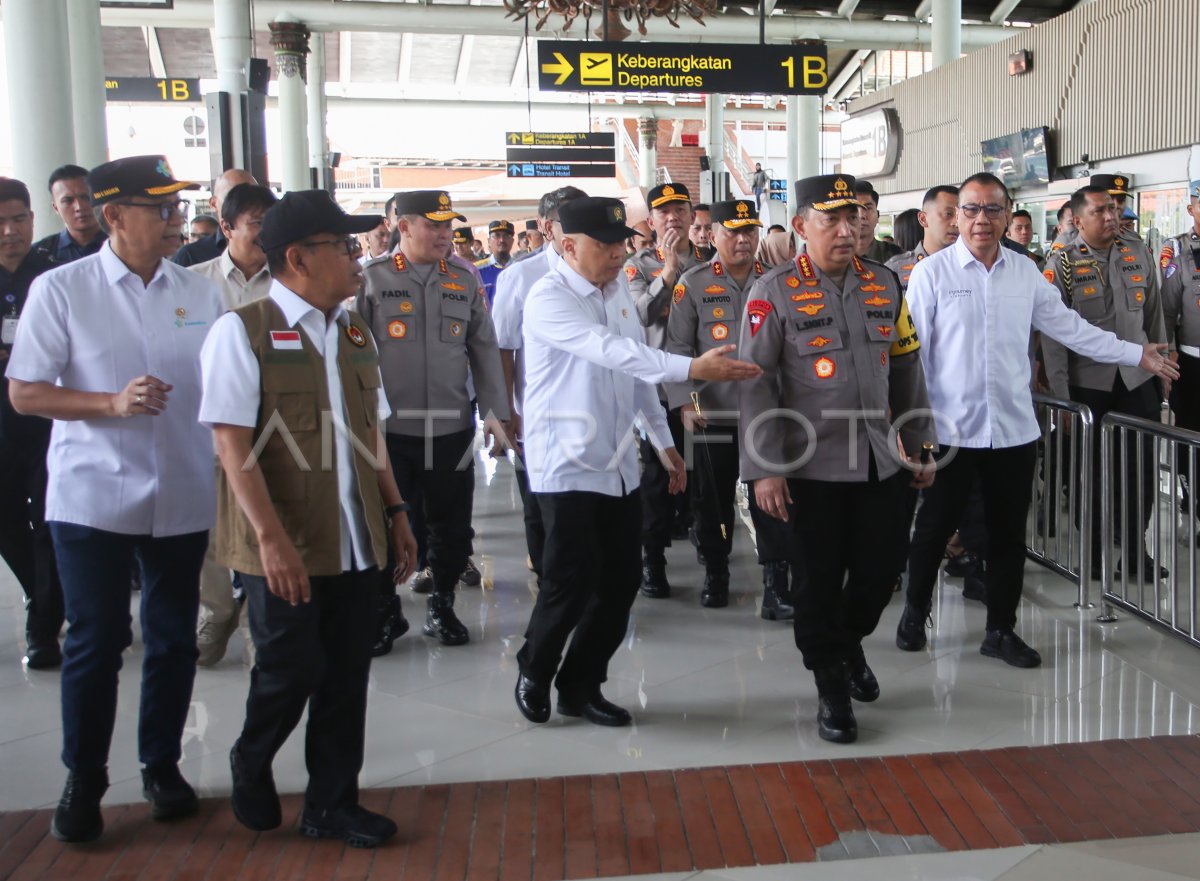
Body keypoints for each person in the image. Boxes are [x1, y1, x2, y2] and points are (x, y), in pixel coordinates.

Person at [7, 155, 224, 842]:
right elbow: (26, 391)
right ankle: (85, 776)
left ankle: (161, 764)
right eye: (157, 208)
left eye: (174, 208)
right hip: (93, 497)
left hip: (184, 491)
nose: (172, 220)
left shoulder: (198, 291)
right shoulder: (62, 290)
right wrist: (110, 401)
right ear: (112, 217)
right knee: (97, 640)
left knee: (172, 641)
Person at [199, 189, 418, 848]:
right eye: (344, 248)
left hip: (355, 538)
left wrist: (398, 511)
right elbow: (231, 446)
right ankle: (250, 754)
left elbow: (370, 428)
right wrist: (269, 540)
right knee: (290, 668)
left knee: (347, 675)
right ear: (297, 257)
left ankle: (331, 803)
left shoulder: (352, 328)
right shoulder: (242, 331)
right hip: (285, 540)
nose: (358, 259)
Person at [896, 173, 1177, 669]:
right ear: (957, 216)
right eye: (971, 210)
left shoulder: (1025, 274)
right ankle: (915, 612)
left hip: (1012, 432)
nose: (982, 220)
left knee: (1008, 537)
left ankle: (1000, 630)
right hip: (950, 431)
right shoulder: (932, 274)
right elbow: (912, 356)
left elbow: (1073, 330)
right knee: (934, 529)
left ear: (1007, 216)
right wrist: (911, 426)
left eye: (992, 210)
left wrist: (1139, 353)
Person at [515, 196, 761, 727]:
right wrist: (692, 366)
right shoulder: (548, 297)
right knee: (568, 582)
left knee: (621, 581)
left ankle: (581, 684)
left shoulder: (619, 293)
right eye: (604, 246)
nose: (616, 253)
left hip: (621, 460)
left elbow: (636, 375)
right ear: (567, 244)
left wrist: (664, 442)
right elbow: (612, 351)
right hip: (568, 463)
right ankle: (534, 669)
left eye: (619, 243)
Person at [738, 174, 936, 744]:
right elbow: (757, 385)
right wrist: (765, 467)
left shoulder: (884, 285)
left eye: (855, 218)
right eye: (832, 220)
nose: (848, 231)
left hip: (878, 461)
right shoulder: (771, 292)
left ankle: (846, 647)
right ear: (802, 227)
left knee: (880, 572)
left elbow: (905, 370)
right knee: (817, 583)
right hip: (809, 469)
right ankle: (831, 687)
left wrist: (920, 442)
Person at [358, 190, 509, 648]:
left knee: (452, 522)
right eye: (434, 225)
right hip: (389, 430)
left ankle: (441, 605)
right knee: (385, 523)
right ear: (404, 227)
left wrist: (496, 414)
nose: (445, 234)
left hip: (450, 426)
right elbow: (353, 355)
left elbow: (483, 348)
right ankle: (386, 610)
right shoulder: (372, 279)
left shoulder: (462, 277)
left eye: (448, 226)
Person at [665, 199, 791, 617]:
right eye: (733, 232)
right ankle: (716, 571)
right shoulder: (693, 284)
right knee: (712, 500)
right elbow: (679, 349)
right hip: (711, 413)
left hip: (766, 417)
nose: (743, 239)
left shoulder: (775, 282)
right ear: (714, 234)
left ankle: (776, 581)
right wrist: (685, 403)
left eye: (750, 231)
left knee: (772, 498)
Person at [1041, 184, 1170, 581]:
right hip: (1088, 385)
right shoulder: (1061, 262)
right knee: (1092, 474)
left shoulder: (1137, 252)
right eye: (1100, 211)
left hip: (1136, 380)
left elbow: (1154, 316)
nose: (1111, 216)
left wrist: (1161, 368)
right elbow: (1053, 337)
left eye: (1114, 209)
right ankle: (1093, 553)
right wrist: (1061, 399)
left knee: (1141, 470)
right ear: (1078, 220)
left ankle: (1135, 551)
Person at [189, 183, 278, 667]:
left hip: (273, 432)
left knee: (264, 525)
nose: (265, 232)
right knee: (206, 530)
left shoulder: (287, 283)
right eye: (255, 222)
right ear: (227, 228)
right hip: (209, 431)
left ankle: (268, 624)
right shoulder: (193, 285)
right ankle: (217, 610)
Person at [493, 186, 588, 581]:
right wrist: (505, 413)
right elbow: (503, 348)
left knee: (582, 505)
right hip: (536, 416)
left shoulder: (599, 269)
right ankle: (550, 580)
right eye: (576, 220)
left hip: (588, 413)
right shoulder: (522, 276)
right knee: (540, 505)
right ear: (549, 228)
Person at [626, 183, 707, 598]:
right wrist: (669, 270)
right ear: (652, 221)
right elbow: (640, 314)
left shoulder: (712, 264)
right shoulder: (637, 267)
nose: (672, 217)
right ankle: (652, 562)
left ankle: (711, 553)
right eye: (663, 211)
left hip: (703, 389)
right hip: (658, 393)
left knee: (703, 477)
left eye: (679, 209)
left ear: (692, 215)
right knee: (658, 480)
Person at [0, 178, 63, 669]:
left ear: (33, 219)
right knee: (7, 524)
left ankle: (44, 625)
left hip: (45, 421)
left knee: (47, 522)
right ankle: (36, 594)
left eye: (18, 219)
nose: (9, 231)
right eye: (1, 222)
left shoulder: (53, 276)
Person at [1161, 180, 1200, 532]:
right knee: (1192, 437)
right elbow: (1168, 312)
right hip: (1191, 361)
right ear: (1192, 209)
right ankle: (1196, 502)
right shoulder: (1177, 251)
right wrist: (1169, 362)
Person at [172, 168, 256, 266]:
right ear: (213, 204)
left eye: (254, 196)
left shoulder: (271, 249)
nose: (244, 204)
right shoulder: (190, 256)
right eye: (231, 197)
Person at [885, 185, 959, 290]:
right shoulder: (895, 270)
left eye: (960, 215)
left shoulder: (972, 267)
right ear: (923, 219)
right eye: (948, 214)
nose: (956, 223)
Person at [32, 165, 106, 264]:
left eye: (86, 197)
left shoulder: (121, 243)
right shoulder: (41, 254)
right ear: (56, 208)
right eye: (68, 200)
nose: (79, 207)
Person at [853, 179, 902, 263]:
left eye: (868, 208)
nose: (861, 215)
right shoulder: (831, 257)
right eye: (854, 209)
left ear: (878, 215)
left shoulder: (897, 256)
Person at [475, 219, 515, 307]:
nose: (501, 240)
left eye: (506, 236)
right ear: (489, 241)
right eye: (496, 236)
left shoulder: (519, 268)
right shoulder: (477, 270)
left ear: (512, 241)